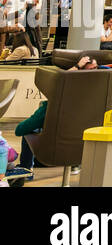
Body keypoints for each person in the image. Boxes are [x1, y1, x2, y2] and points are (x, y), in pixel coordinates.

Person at [10, 55, 99, 185]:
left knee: (30, 129)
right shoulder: (101, 101)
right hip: (83, 153)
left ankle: (26, 168)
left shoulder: (54, 104)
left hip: (52, 154)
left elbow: (20, 130)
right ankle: (74, 165)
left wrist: (77, 67)